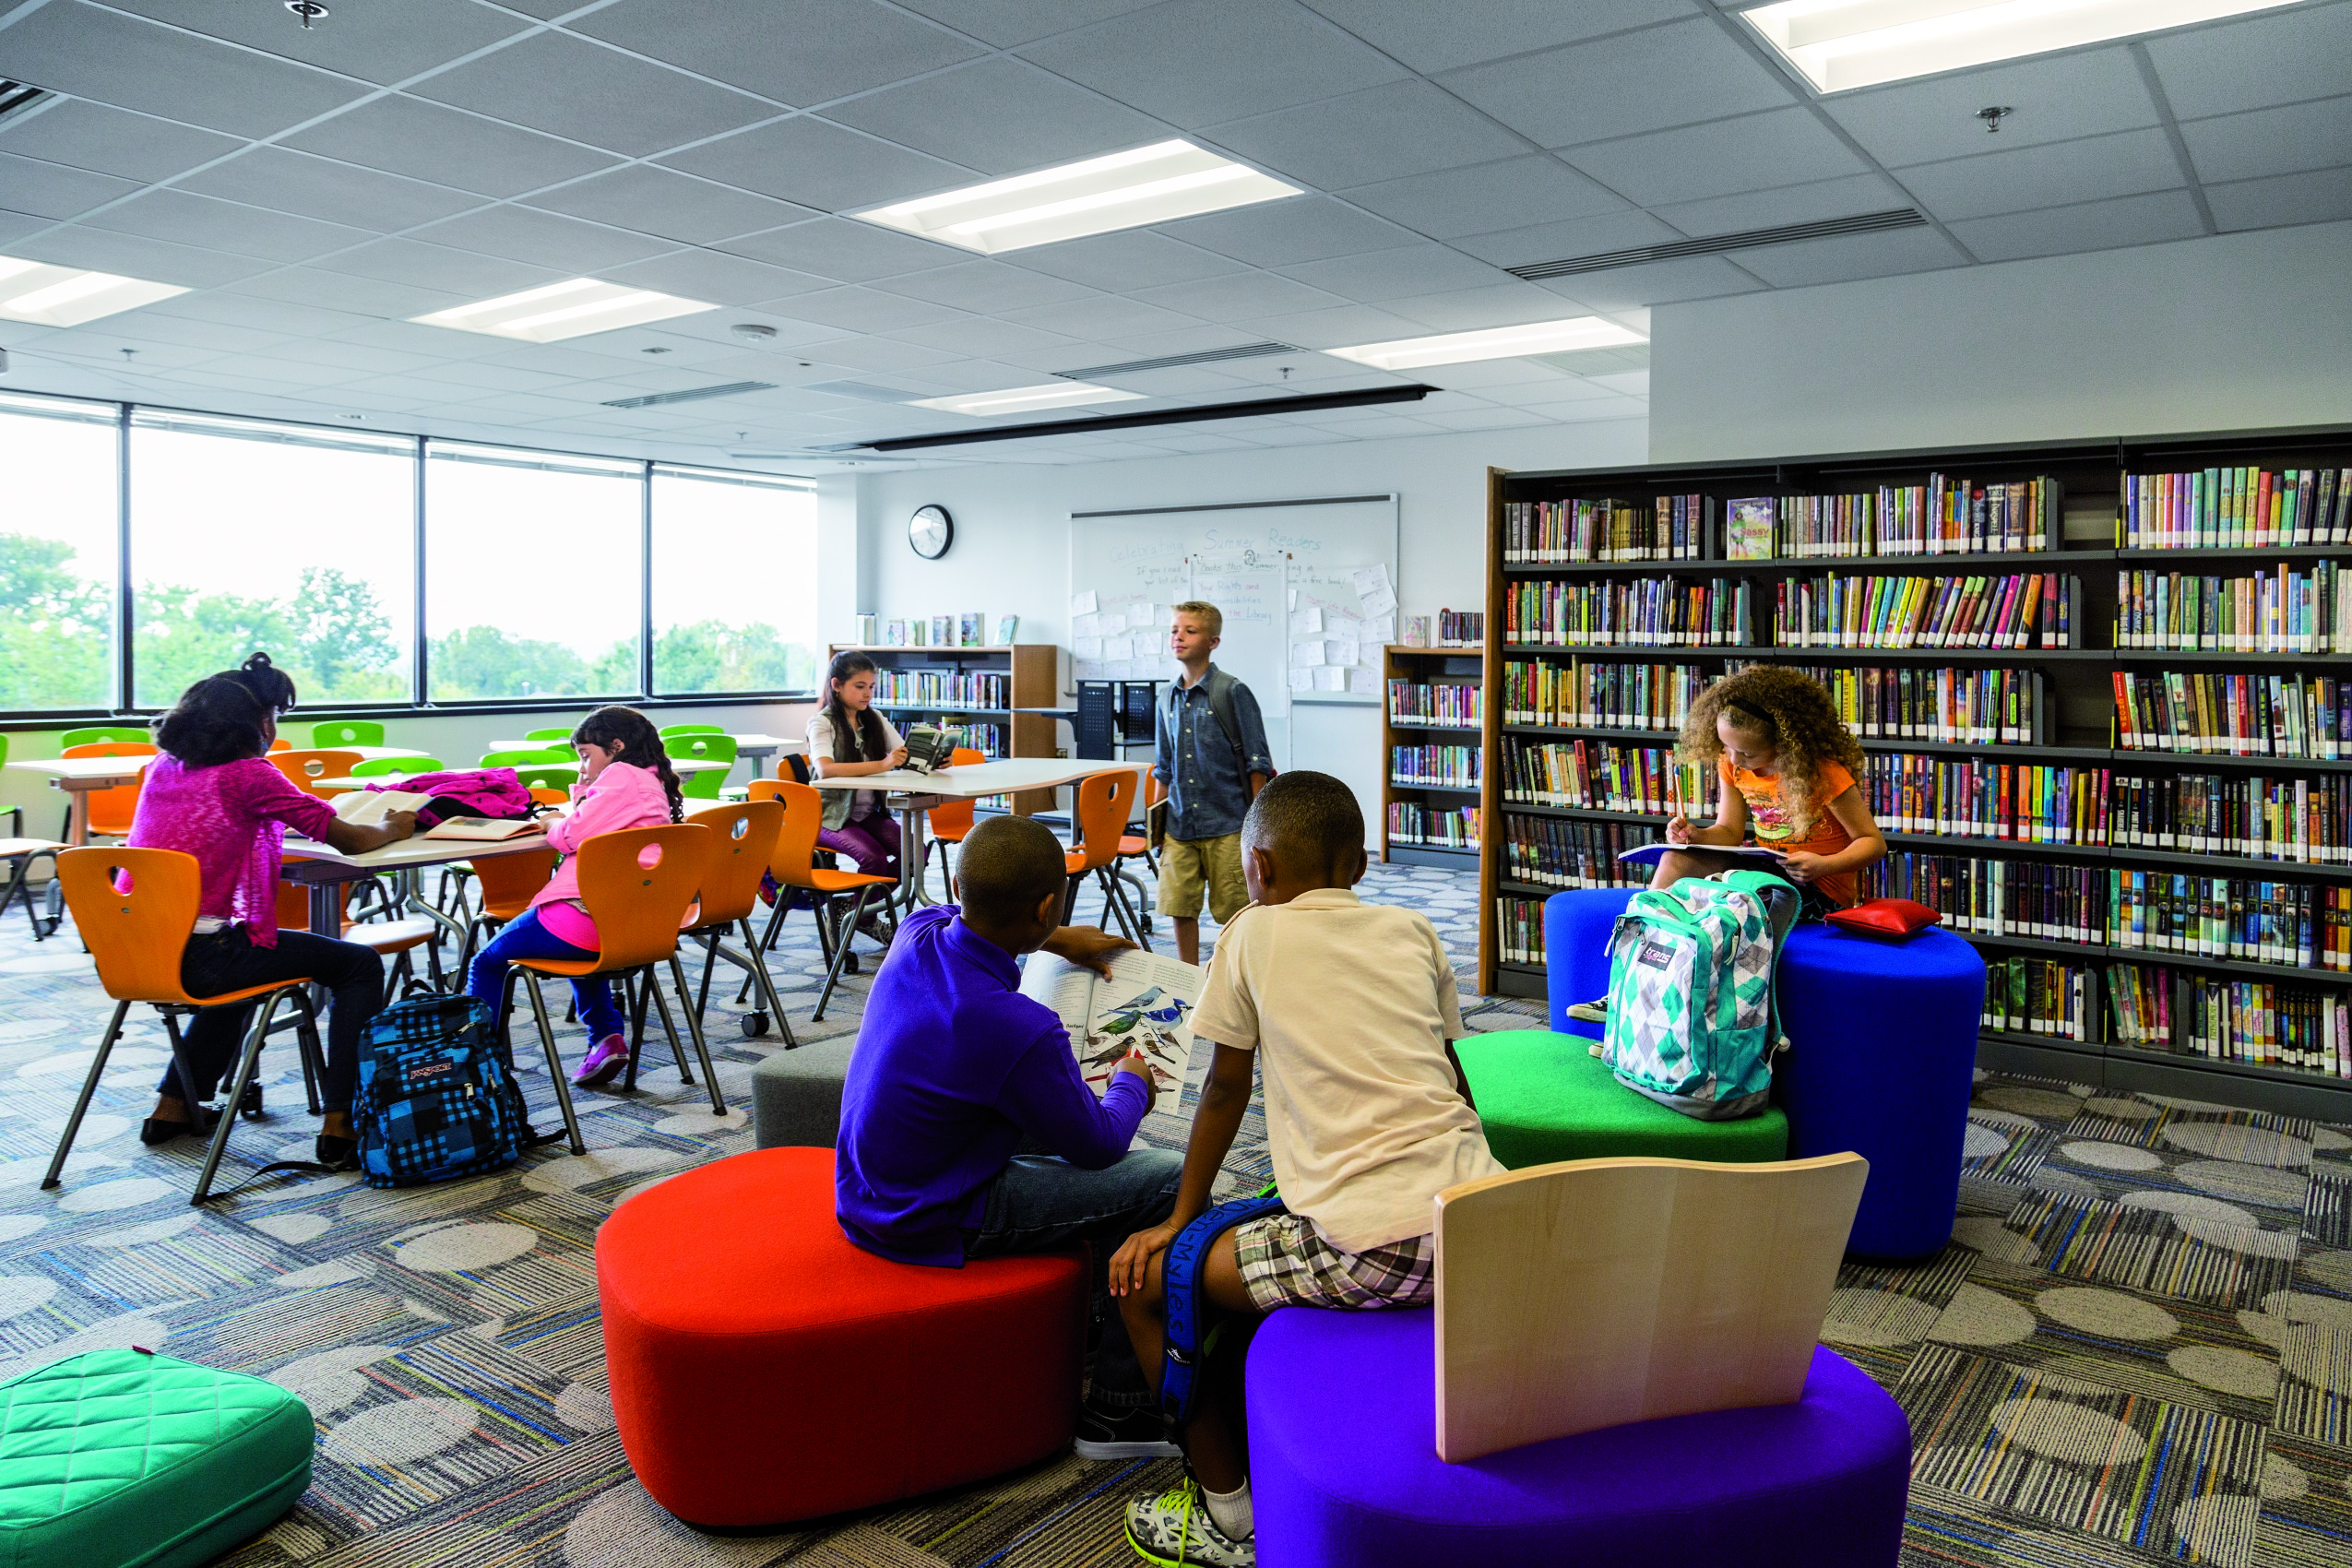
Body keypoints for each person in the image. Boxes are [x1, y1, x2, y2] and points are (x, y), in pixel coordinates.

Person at [1108, 772, 1500, 1568]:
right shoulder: (1415, 928)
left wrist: (1180, 1218)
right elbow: (1456, 1082)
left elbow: (1223, 1088)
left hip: (1375, 1243)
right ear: (1358, 864)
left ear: (1256, 866)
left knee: (1145, 1283)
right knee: (1264, 1218)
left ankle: (1230, 1520)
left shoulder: (1250, 933)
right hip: (1489, 1216)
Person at [835, 814, 1186, 1460]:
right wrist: (1132, 1081)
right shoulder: (1016, 1025)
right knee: (1167, 1179)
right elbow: (1100, 1145)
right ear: (1048, 904)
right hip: (934, 1212)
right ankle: (1120, 1409)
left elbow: (974, 908)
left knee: (1055, 1120)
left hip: (871, 1184)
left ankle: (1095, 1321)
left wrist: (1053, 942)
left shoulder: (918, 932)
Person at [129, 653, 416, 1166]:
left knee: (246, 961)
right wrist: (394, 827)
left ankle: (173, 1106)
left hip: (138, 949)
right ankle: (343, 1121)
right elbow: (348, 839)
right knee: (358, 964)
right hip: (203, 955)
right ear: (262, 722)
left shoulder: (163, 768)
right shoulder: (248, 776)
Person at [1566, 666, 1888, 1024]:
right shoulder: (1733, 765)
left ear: (1785, 741)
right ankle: (1626, 984)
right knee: (1676, 859)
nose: (1734, 760)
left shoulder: (1822, 772)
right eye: (1728, 748)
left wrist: (1824, 864)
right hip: (1768, 868)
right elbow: (1729, 832)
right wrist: (1696, 836)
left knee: (1722, 906)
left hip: (1818, 885)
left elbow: (1873, 843)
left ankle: (1686, 1018)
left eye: (1748, 753)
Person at [465, 705, 683, 1089]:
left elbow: (569, 835)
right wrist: (586, 785)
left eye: (586, 755)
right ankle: (604, 1037)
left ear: (615, 747)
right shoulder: (652, 785)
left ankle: (473, 1066)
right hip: (638, 925)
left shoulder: (620, 776)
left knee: (486, 962)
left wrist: (551, 821)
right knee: (580, 950)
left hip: (587, 918)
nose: (582, 766)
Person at [1153, 601, 1273, 966]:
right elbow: (1164, 767)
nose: (1179, 637)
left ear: (1213, 641)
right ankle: (1189, 974)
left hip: (1228, 823)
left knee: (1235, 907)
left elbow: (1258, 763)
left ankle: (1234, 973)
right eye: (1175, 630)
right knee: (1180, 904)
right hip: (1179, 823)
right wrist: (1156, 827)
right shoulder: (1166, 697)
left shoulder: (1231, 691)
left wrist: (1258, 828)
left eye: (1190, 631)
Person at [807, 650, 907, 936]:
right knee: (872, 858)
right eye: (859, 687)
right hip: (829, 816)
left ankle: (854, 908)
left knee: (915, 853)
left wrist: (932, 758)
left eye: (871, 687)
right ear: (837, 685)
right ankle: (863, 919)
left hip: (867, 814)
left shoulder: (873, 718)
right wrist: (884, 764)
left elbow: (902, 753)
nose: (867, 694)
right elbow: (825, 769)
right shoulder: (821, 722)